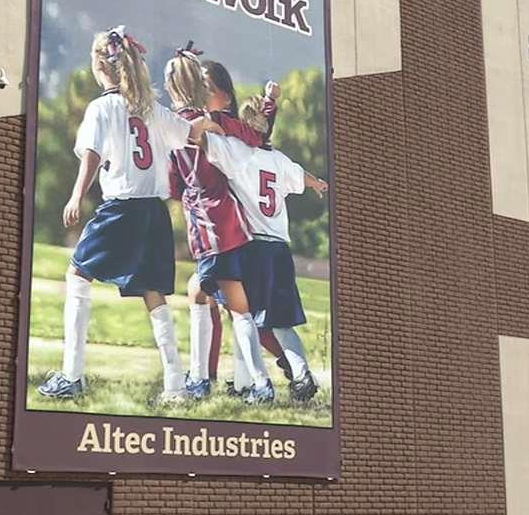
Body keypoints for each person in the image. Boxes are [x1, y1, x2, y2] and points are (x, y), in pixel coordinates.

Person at [37, 27, 220, 403]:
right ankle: (175, 385)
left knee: (77, 274)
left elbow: (91, 155)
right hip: (155, 211)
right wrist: (216, 120)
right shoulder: (151, 109)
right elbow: (191, 133)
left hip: (121, 207)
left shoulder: (101, 108)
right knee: (152, 291)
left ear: (101, 67)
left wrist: (76, 196)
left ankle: (72, 374)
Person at [165, 47, 288, 402]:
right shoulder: (214, 124)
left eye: (209, 87)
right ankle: (237, 379)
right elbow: (256, 136)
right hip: (231, 226)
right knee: (218, 298)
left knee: (235, 304)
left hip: (222, 226)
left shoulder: (203, 125)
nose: (204, 93)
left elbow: (176, 181)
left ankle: (233, 380)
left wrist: (268, 106)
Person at [198, 91, 328, 403]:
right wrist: (320, 184)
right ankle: (301, 375)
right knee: (280, 321)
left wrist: (209, 117)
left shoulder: (237, 152)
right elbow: (303, 177)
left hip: (253, 248)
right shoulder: (279, 160)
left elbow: (200, 138)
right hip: (281, 249)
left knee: (244, 317)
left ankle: (257, 386)